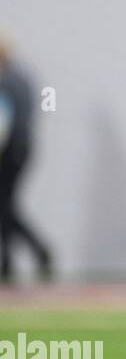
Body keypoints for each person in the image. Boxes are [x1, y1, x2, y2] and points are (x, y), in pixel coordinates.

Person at [0, 38, 53, 282]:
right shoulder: (24, 77)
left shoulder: (5, 80)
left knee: (6, 205)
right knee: (7, 204)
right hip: (24, 148)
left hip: (9, 150)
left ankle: (35, 250)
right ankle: (12, 258)